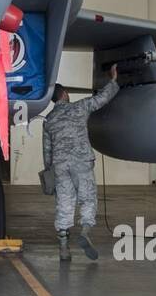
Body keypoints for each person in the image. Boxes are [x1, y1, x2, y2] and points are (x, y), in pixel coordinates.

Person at [41, 66, 119, 262]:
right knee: (87, 198)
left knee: (64, 203)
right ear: (65, 94)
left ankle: (64, 247)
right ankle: (84, 232)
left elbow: (47, 151)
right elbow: (102, 98)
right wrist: (114, 79)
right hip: (81, 161)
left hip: (60, 165)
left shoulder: (49, 120)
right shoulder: (79, 107)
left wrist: (50, 171)